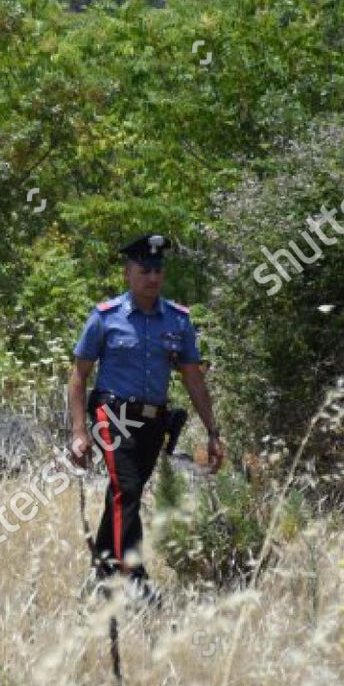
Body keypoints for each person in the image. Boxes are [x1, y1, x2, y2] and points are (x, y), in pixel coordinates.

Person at [67, 233, 224, 594]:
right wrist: (78, 432)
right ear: (128, 272)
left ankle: (103, 573)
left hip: (154, 421)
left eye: (157, 270)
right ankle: (132, 577)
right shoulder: (105, 317)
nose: (152, 278)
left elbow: (192, 379)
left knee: (122, 495)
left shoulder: (178, 320)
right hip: (113, 415)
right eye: (144, 270)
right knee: (128, 487)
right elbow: (78, 378)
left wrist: (213, 431)